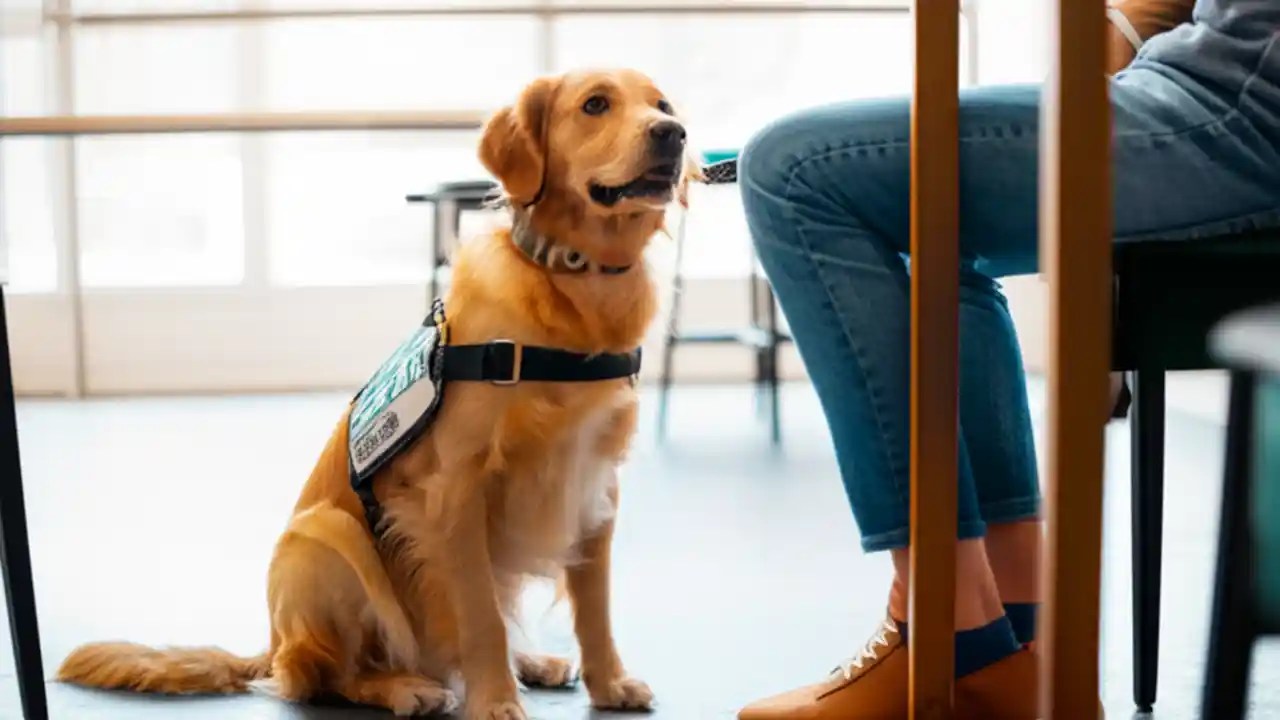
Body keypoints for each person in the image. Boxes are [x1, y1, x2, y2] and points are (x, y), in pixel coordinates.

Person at [735, 1, 1280, 717]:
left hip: (1242, 111)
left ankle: (952, 641)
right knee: (927, 222)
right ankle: (1016, 640)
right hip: (1205, 84)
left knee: (791, 170)